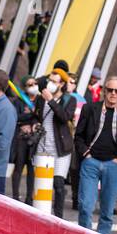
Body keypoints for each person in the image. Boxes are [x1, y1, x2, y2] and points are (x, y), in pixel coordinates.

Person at [74, 75, 117, 234]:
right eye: (110, 90)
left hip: (112, 164)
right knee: (85, 206)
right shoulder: (89, 108)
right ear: (104, 91)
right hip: (91, 162)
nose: (113, 94)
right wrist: (86, 154)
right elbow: (78, 136)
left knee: (107, 211)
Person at [33, 67, 77, 218]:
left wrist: (51, 100)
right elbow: (36, 116)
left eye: (55, 81)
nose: (51, 84)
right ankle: (39, 213)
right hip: (43, 144)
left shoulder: (69, 100)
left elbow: (64, 117)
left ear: (62, 84)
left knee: (58, 184)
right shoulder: (40, 99)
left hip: (61, 148)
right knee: (40, 182)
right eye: (50, 80)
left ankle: (58, 217)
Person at [8, 76, 41, 204]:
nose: (33, 86)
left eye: (35, 83)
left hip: (35, 139)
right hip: (21, 138)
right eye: (29, 84)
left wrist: (31, 120)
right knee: (19, 166)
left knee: (32, 169)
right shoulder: (19, 101)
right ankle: (15, 196)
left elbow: (41, 116)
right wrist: (31, 114)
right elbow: (16, 117)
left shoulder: (39, 100)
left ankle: (29, 198)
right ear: (25, 87)